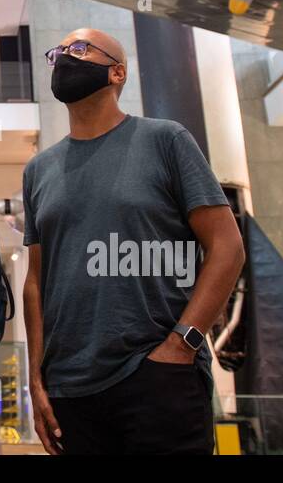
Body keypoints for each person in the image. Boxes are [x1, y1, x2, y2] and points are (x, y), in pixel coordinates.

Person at [24, 28, 245, 455]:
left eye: (81, 49)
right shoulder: (39, 170)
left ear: (117, 73)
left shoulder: (166, 140)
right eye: (60, 52)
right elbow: (36, 281)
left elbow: (227, 247)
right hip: (69, 387)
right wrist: (36, 380)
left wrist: (184, 344)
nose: (66, 57)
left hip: (158, 373)